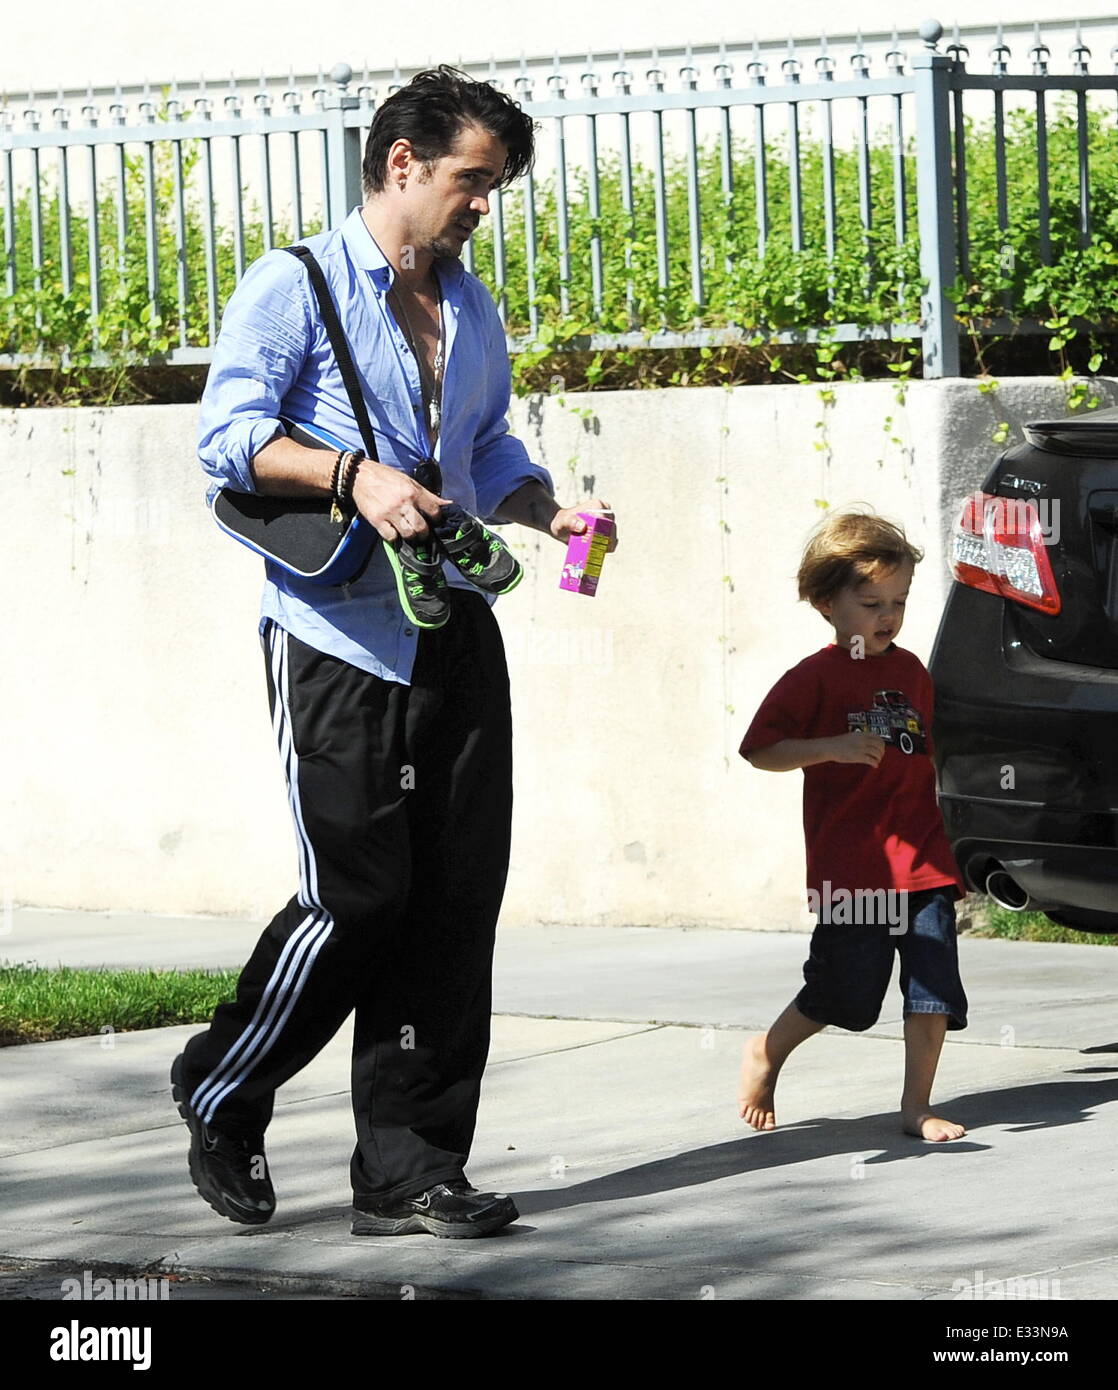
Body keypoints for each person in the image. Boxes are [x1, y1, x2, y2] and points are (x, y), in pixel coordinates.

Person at [172, 65, 617, 1239]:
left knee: (453, 902)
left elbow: (483, 445)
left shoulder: (469, 305)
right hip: (335, 634)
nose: (484, 204)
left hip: (453, 618)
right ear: (404, 163)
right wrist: (349, 473)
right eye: (474, 179)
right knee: (357, 892)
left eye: (497, 185)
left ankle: (410, 1166)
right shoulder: (295, 283)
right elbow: (225, 437)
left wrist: (546, 509)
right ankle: (224, 1085)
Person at [736, 509, 968, 1143]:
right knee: (845, 992)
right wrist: (829, 747)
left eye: (898, 602)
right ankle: (767, 1050)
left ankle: (916, 1106)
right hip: (855, 867)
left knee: (932, 989)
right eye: (871, 603)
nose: (887, 617)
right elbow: (760, 750)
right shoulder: (813, 678)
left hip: (922, 861)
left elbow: (922, 762)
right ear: (826, 603)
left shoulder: (912, 672)